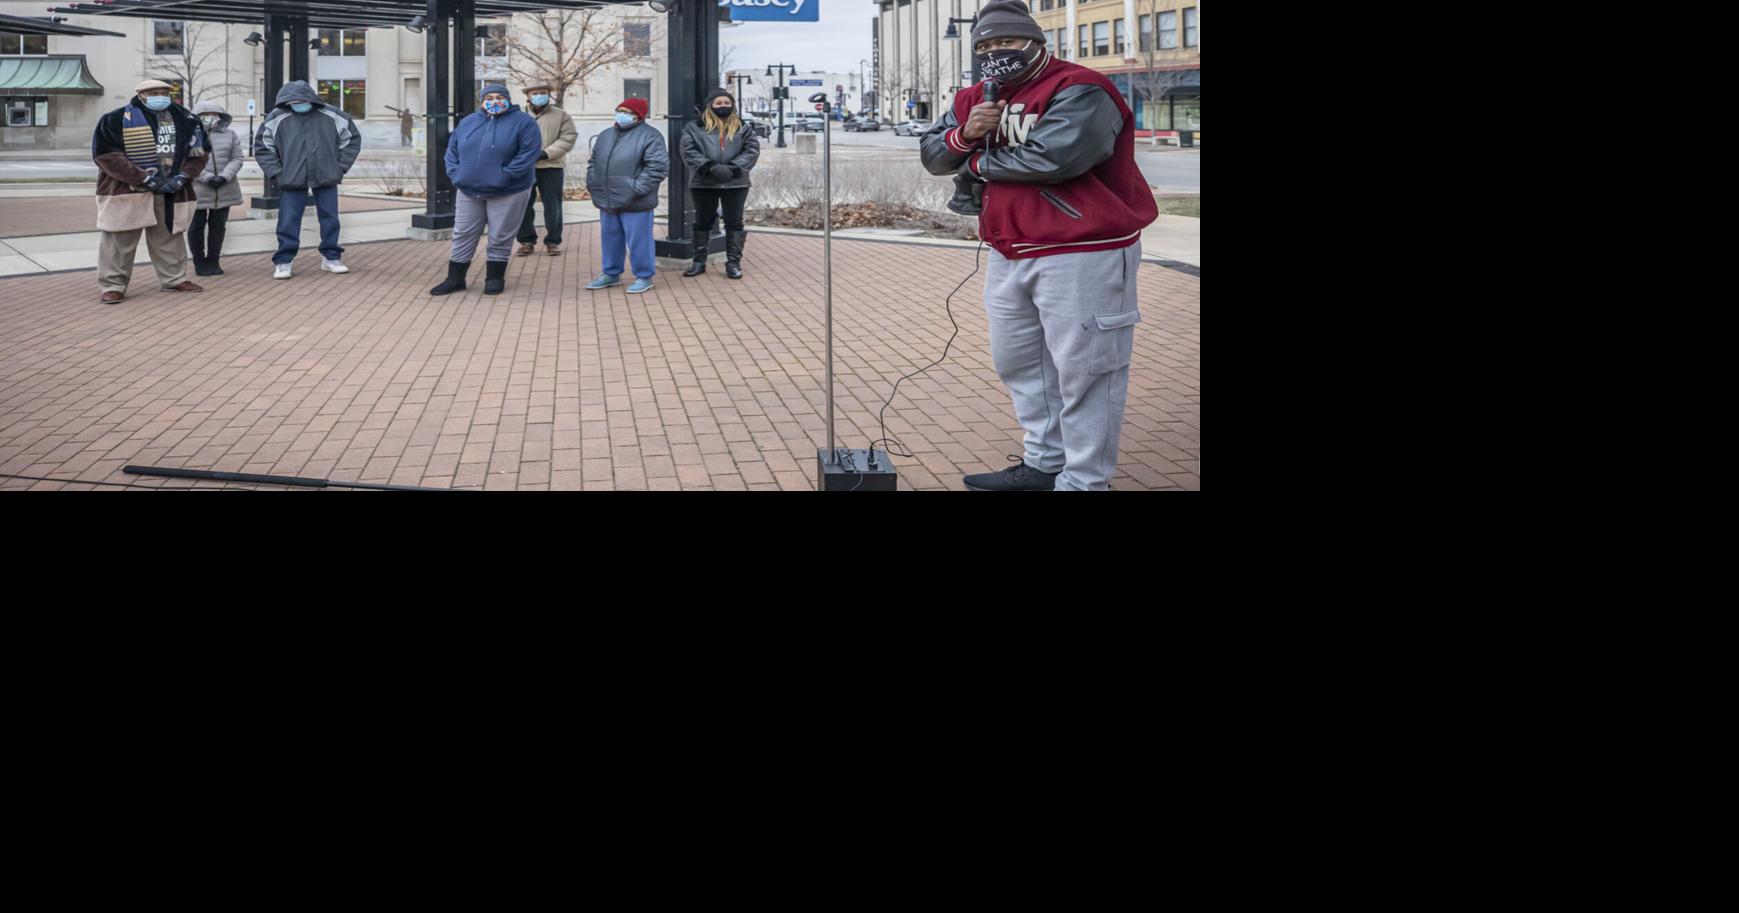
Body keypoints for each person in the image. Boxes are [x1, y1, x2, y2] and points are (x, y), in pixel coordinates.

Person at [919, 0, 1158, 491]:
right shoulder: (972, 98)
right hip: (1010, 250)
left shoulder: (1081, 87)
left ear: (1034, 42)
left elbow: (1056, 158)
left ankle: (1086, 480)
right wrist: (966, 135)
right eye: (984, 45)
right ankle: (1044, 463)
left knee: (1088, 372)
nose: (994, 53)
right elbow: (932, 154)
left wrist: (976, 165)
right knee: (1021, 363)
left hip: (1083, 249)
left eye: (1005, 42)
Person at [89, 79, 210, 304]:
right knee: (119, 239)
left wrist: (183, 176)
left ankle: (174, 278)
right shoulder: (114, 120)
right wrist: (143, 178)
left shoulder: (187, 120)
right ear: (141, 95)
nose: (160, 96)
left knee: (170, 237)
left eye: (164, 92)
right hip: (127, 189)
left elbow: (200, 153)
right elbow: (105, 156)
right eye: (153, 92)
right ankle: (113, 285)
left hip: (172, 190)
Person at [427, 85, 544, 297]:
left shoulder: (524, 123)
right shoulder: (469, 121)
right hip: (469, 189)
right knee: (463, 232)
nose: (494, 101)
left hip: (509, 190)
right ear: (481, 100)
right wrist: (457, 173)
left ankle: (494, 277)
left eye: (500, 97)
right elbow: (452, 151)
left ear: (508, 99)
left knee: (500, 234)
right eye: (489, 97)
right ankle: (455, 278)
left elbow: (528, 154)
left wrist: (503, 175)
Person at [255, 79, 361, 280]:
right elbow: (263, 147)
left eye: (301, 100)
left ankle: (331, 257)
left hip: (326, 175)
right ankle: (284, 261)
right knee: (288, 220)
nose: (298, 103)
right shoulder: (276, 118)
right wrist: (278, 173)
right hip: (292, 177)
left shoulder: (332, 115)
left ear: (311, 99)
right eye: (293, 101)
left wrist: (339, 167)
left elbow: (351, 140)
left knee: (330, 219)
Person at [583, 97, 667, 295]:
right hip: (607, 198)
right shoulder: (605, 135)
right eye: (620, 110)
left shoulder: (650, 136)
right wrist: (593, 182)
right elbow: (594, 162)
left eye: (628, 112)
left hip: (636, 201)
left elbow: (657, 167)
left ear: (638, 115)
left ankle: (644, 276)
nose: (622, 114)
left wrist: (635, 189)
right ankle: (611, 273)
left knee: (639, 240)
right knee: (610, 237)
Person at [678, 87, 759, 279]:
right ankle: (699, 261)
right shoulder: (694, 127)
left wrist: (733, 168)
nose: (723, 106)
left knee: (734, 222)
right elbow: (688, 151)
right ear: (710, 106)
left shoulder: (742, 127)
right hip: (704, 182)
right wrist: (710, 167)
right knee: (703, 221)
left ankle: (733, 263)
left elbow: (752, 150)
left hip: (736, 183)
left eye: (726, 103)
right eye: (718, 103)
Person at [514, 81, 578, 257]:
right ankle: (526, 241)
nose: (538, 96)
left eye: (543, 92)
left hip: (551, 166)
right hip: (524, 167)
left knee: (553, 205)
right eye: (534, 93)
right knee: (523, 205)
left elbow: (568, 137)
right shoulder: (517, 115)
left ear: (549, 95)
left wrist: (545, 153)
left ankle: (553, 241)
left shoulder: (561, 115)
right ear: (527, 96)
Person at [188, 100, 244, 277]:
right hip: (198, 189)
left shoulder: (230, 134)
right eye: (204, 115)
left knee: (218, 226)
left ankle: (214, 260)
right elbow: (185, 161)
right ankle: (199, 262)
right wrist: (206, 177)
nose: (209, 118)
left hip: (224, 188)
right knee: (196, 227)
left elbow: (237, 158)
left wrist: (224, 176)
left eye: (213, 114)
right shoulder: (189, 135)